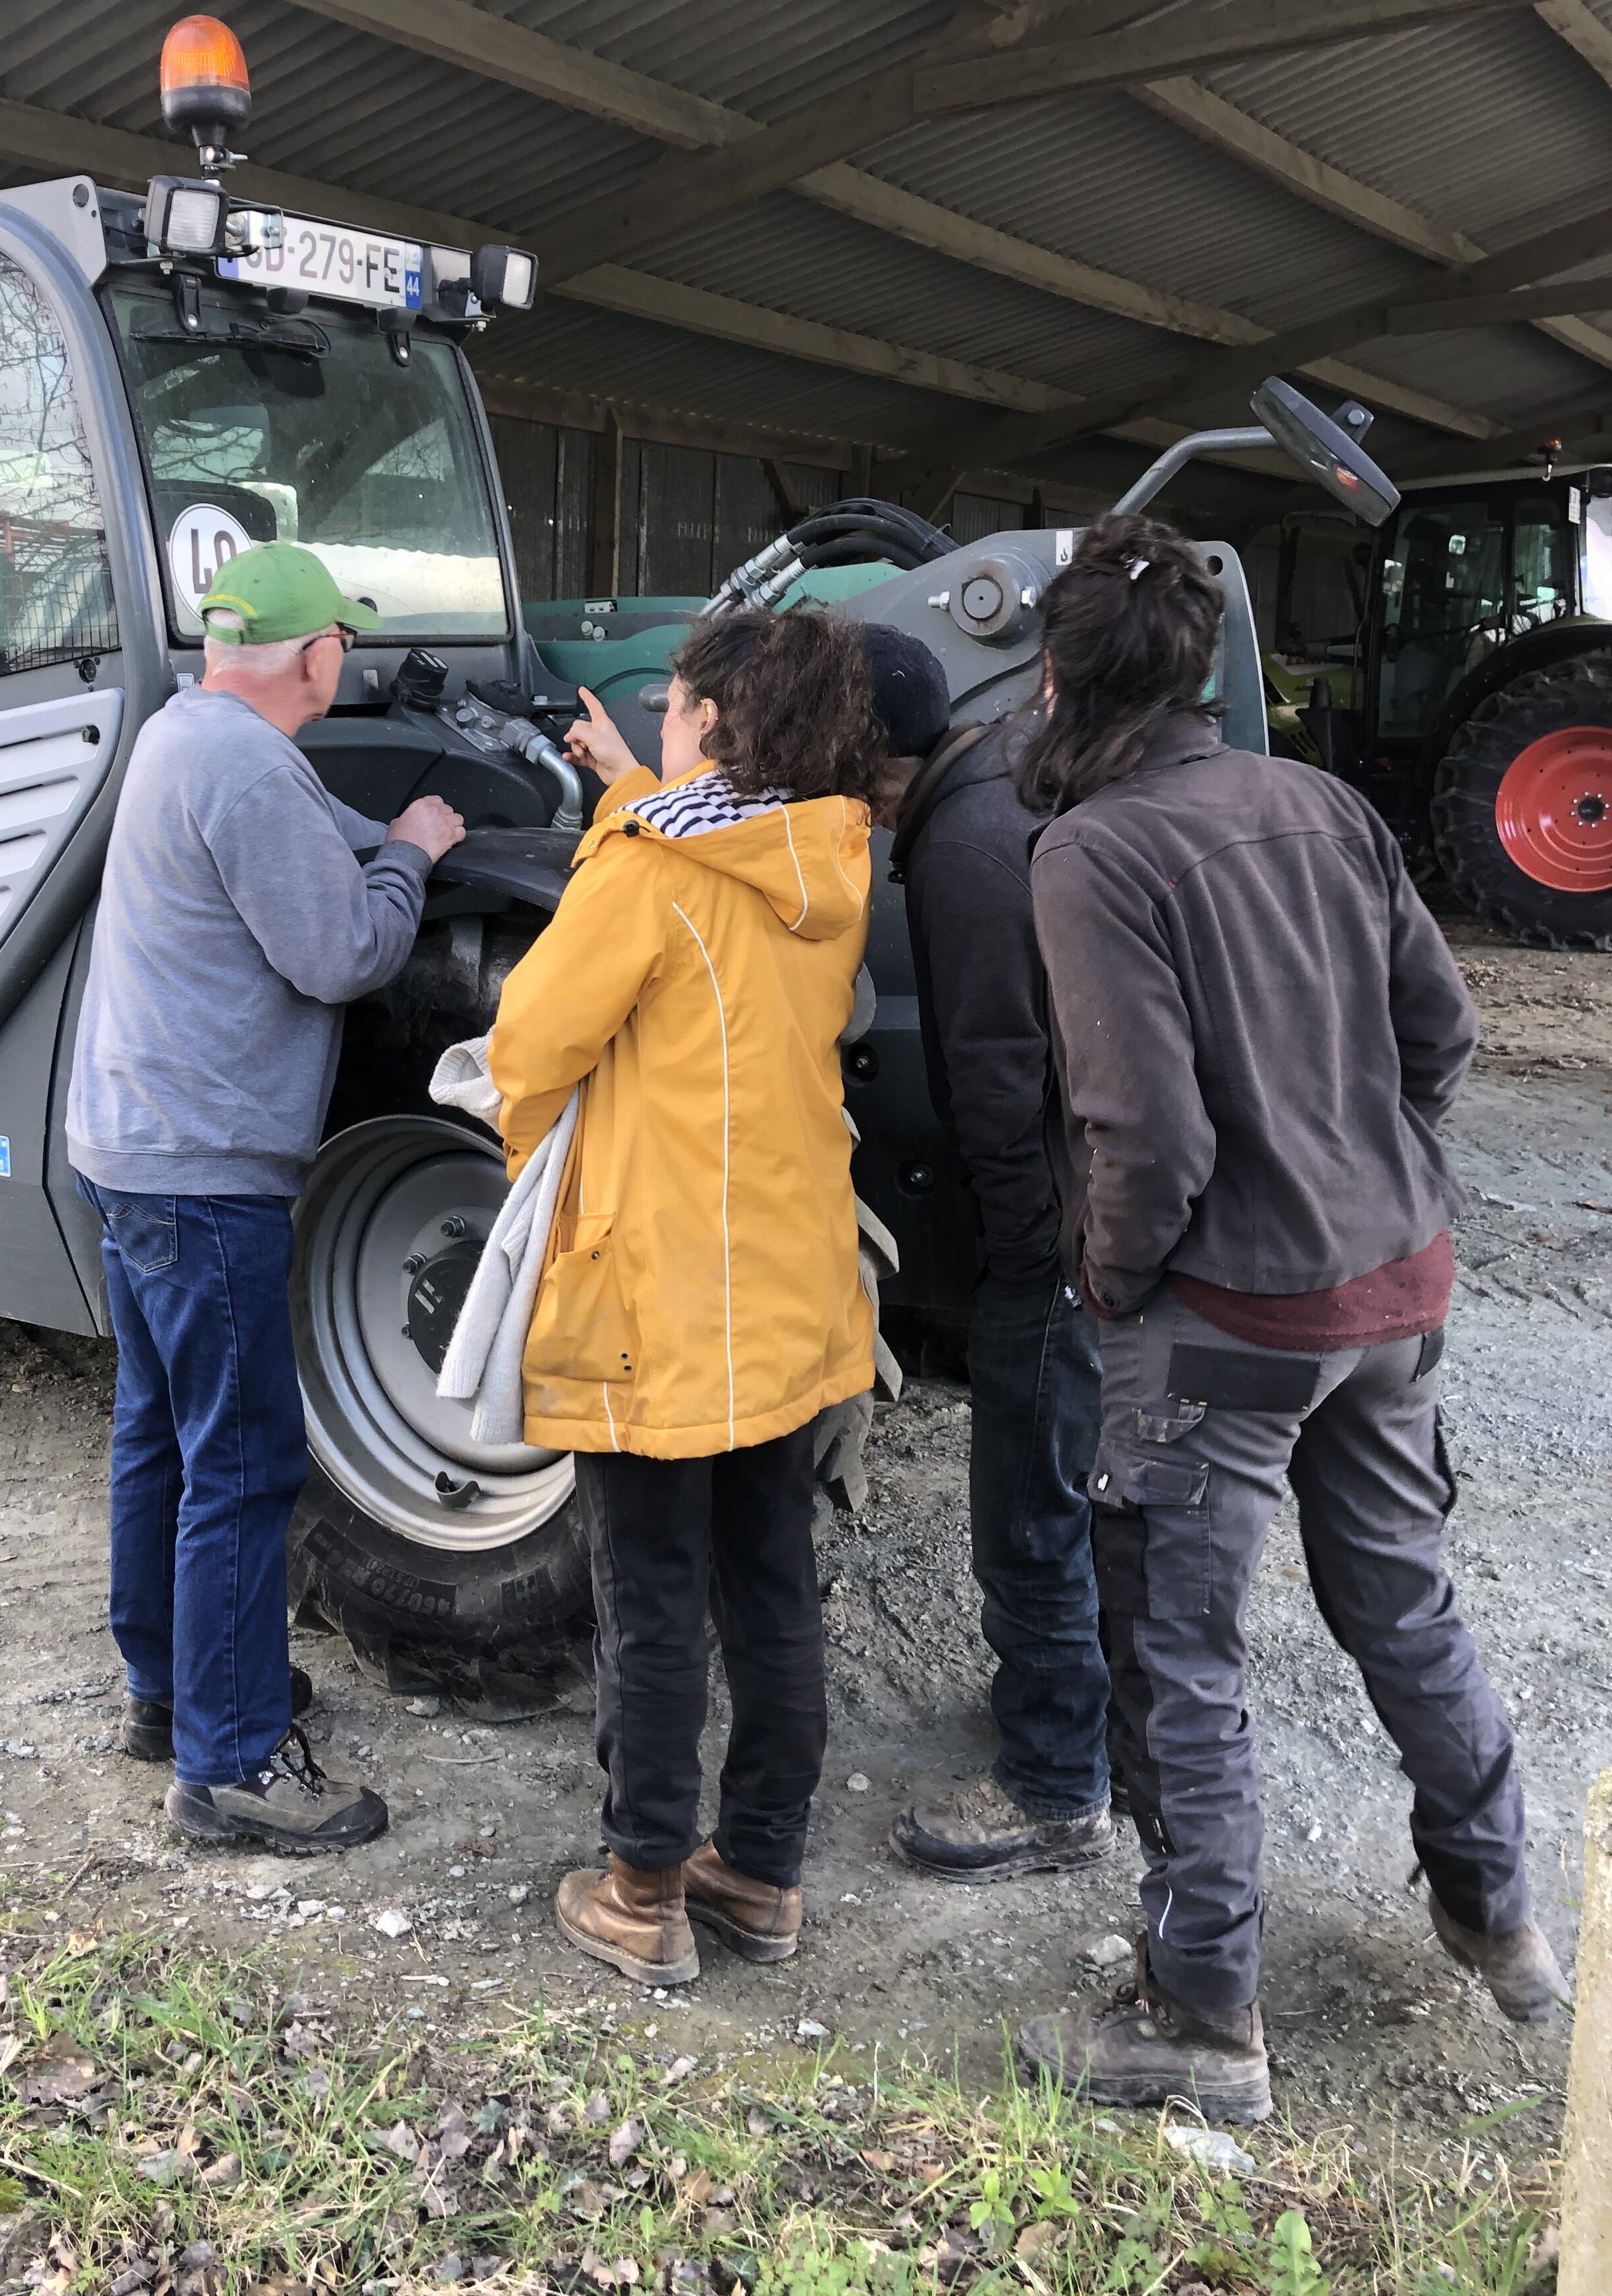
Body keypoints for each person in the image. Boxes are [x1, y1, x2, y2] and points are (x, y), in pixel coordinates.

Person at [1013, 512, 1568, 2121]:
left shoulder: (1088, 853)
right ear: (1199, 666)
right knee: (1406, 1605)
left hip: (1224, 1322)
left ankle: (1200, 2021)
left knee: (1179, 1653)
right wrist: (1372, 1162)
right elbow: (1442, 1031)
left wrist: (1119, 1282)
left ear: (1055, 680)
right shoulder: (1321, 804)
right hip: (1395, 1284)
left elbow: (1147, 1133)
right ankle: (1501, 1922)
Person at [486, 609, 882, 1985]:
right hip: (791, 1291)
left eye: (671, 707)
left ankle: (642, 1892)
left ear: (715, 722)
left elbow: (529, 1042)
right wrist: (631, 794)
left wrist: (543, 1157)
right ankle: (759, 1875)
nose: (658, 723)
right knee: (772, 1589)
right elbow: (713, 862)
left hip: (656, 1293)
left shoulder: (648, 872)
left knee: (649, 1595)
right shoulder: (826, 857)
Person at [65, 540, 463, 1853]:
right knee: (244, 1467)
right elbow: (344, 952)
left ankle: (168, 1692)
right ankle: (231, 1765)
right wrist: (411, 853)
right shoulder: (245, 765)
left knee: (159, 1435)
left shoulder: (188, 736)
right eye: (341, 640)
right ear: (320, 655)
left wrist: (381, 835)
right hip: (204, 1172)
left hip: (128, 1151)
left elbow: (304, 835)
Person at [858, 624, 1112, 1884]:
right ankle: (1087, 1718)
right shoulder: (1007, 780)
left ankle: (1055, 1784)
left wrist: (1023, 1269)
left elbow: (1004, 1074)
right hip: (1100, 1216)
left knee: (1026, 1508)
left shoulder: (958, 851)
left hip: (1057, 1232)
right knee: (1082, 1487)